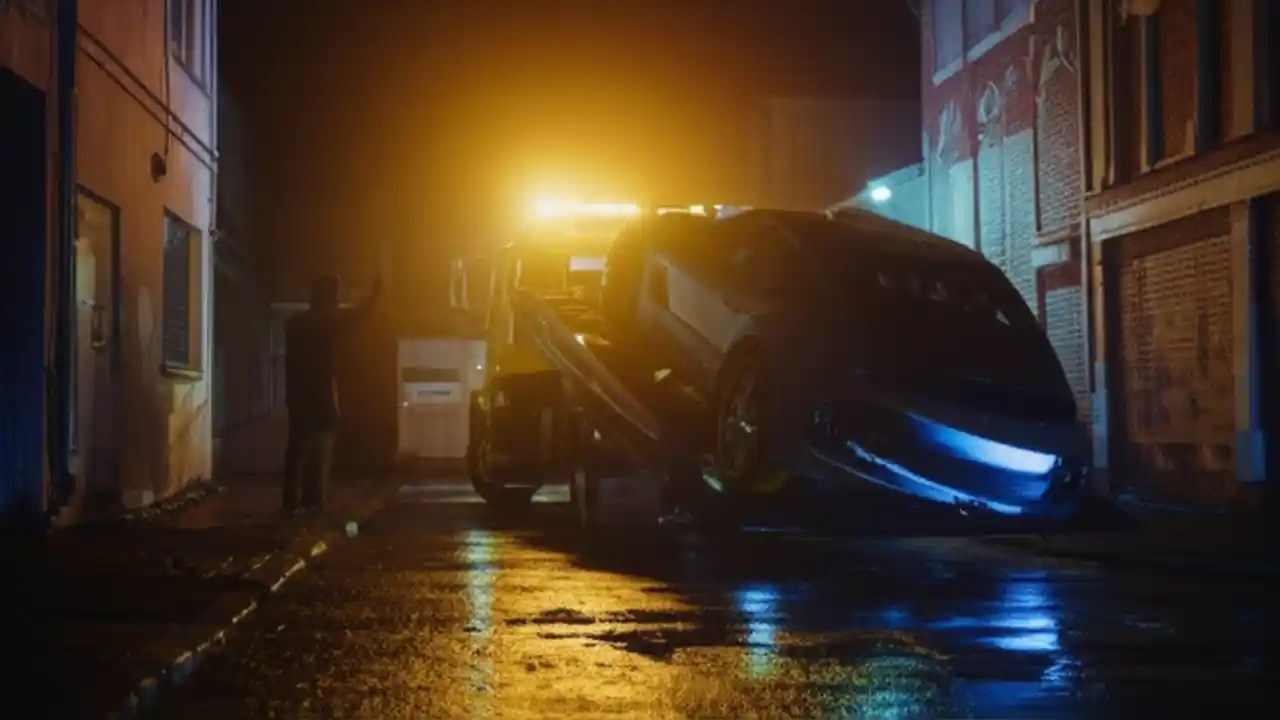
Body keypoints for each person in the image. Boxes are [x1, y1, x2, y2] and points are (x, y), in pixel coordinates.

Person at [283, 274, 382, 514]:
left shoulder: (297, 322)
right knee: (320, 448)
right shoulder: (327, 321)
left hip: (298, 393)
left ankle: (291, 502)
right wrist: (374, 294)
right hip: (321, 391)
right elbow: (357, 316)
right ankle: (312, 500)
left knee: (298, 449)